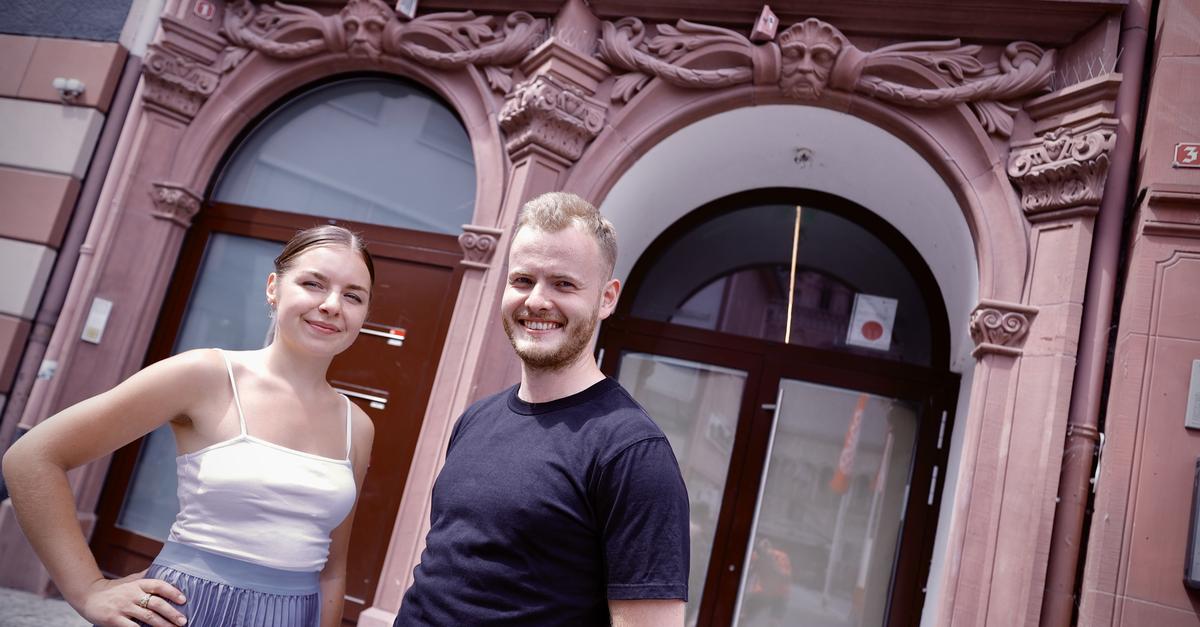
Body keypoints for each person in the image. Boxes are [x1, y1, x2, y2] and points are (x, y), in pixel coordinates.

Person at [2, 225, 377, 627]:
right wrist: (87, 590)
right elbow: (32, 457)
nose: (332, 305)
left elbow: (332, 570)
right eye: (313, 284)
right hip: (185, 609)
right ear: (274, 287)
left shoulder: (357, 425)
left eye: (353, 296)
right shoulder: (205, 374)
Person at [395, 192, 691, 626]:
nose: (536, 300)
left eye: (563, 284)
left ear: (606, 298)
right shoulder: (477, 418)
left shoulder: (632, 452)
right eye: (522, 280)